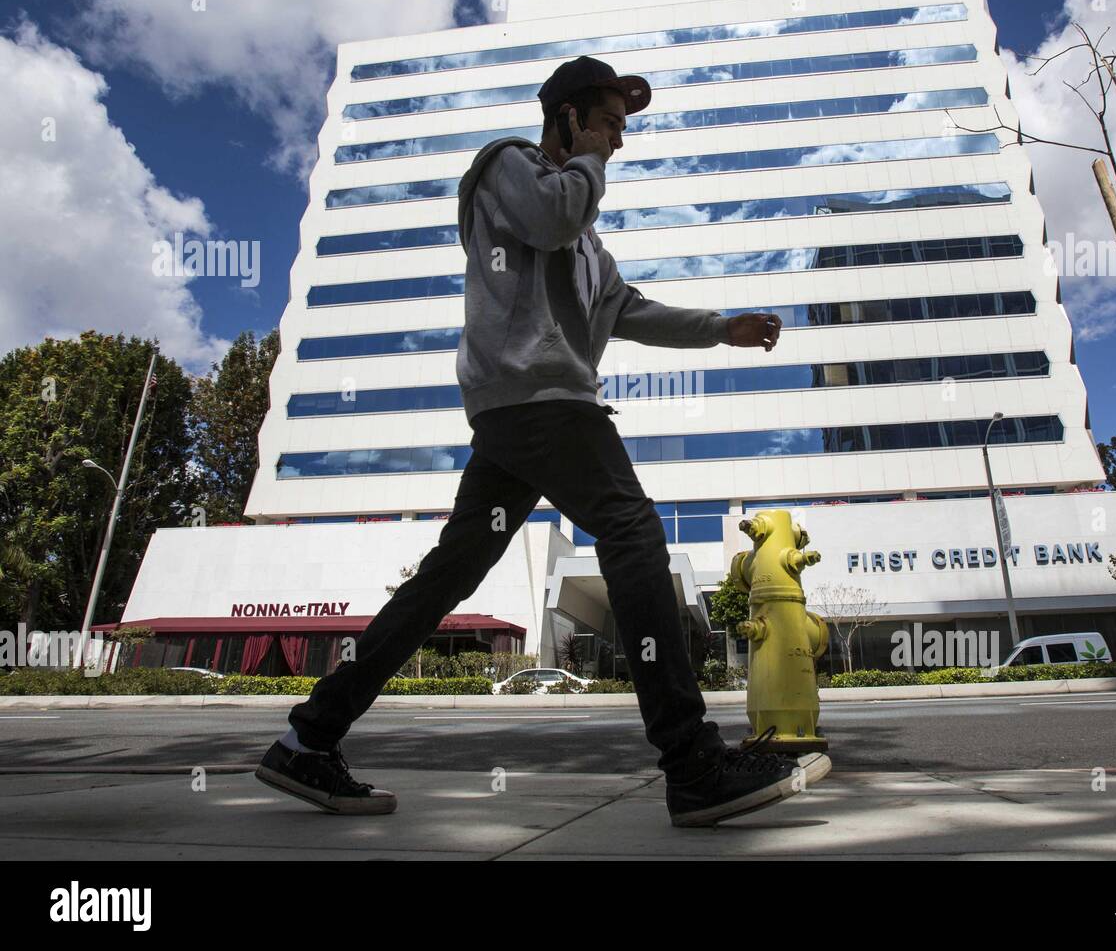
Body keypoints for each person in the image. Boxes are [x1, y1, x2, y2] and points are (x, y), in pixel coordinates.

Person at [256, 54, 831, 827]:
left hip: (520, 420)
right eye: (607, 124)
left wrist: (722, 330)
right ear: (565, 117)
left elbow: (629, 308)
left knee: (443, 580)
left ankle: (308, 734)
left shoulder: (589, 241)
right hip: (537, 397)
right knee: (630, 527)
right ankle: (691, 762)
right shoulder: (508, 168)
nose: (616, 143)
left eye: (619, 131)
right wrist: (586, 159)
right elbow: (554, 215)